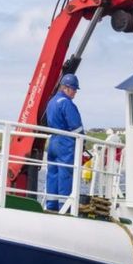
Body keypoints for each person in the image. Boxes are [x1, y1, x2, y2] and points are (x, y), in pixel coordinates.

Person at [45, 74, 84, 211]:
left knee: (52, 173)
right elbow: (76, 126)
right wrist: (83, 142)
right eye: (74, 89)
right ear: (66, 88)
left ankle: (51, 205)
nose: (75, 92)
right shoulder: (66, 103)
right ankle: (64, 207)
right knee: (65, 173)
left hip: (53, 141)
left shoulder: (52, 102)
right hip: (65, 142)